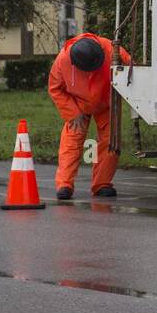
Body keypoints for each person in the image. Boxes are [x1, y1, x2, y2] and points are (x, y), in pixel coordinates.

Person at [47, 33, 131, 199]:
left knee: (110, 141)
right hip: (77, 104)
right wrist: (72, 113)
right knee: (72, 141)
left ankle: (102, 184)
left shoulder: (111, 49)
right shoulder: (62, 60)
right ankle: (64, 185)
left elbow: (133, 66)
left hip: (106, 102)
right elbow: (55, 88)